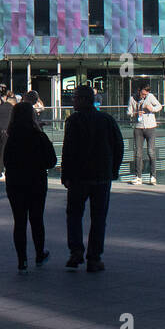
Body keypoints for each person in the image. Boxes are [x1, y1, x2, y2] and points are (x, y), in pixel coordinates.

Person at [60, 83, 124, 272]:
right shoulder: (106, 119)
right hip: (101, 177)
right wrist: (113, 170)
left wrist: (66, 175)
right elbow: (118, 145)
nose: (73, 101)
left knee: (74, 215)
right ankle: (94, 257)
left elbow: (68, 150)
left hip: (79, 177)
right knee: (98, 218)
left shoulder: (73, 121)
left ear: (84, 100)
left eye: (76, 98)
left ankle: (76, 252)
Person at [1, 100, 58, 271]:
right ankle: (39, 254)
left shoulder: (11, 138)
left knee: (19, 222)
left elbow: (6, 161)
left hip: (15, 183)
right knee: (36, 219)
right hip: (36, 182)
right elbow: (52, 161)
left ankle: (22, 261)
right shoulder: (39, 136)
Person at [127, 83, 163, 185]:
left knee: (151, 152)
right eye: (142, 94)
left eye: (145, 94)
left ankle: (153, 177)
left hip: (150, 127)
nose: (144, 96)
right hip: (138, 128)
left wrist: (153, 109)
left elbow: (159, 106)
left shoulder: (150, 97)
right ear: (139, 91)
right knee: (138, 153)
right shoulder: (132, 99)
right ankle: (138, 177)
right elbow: (128, 112)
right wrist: (135, 114)